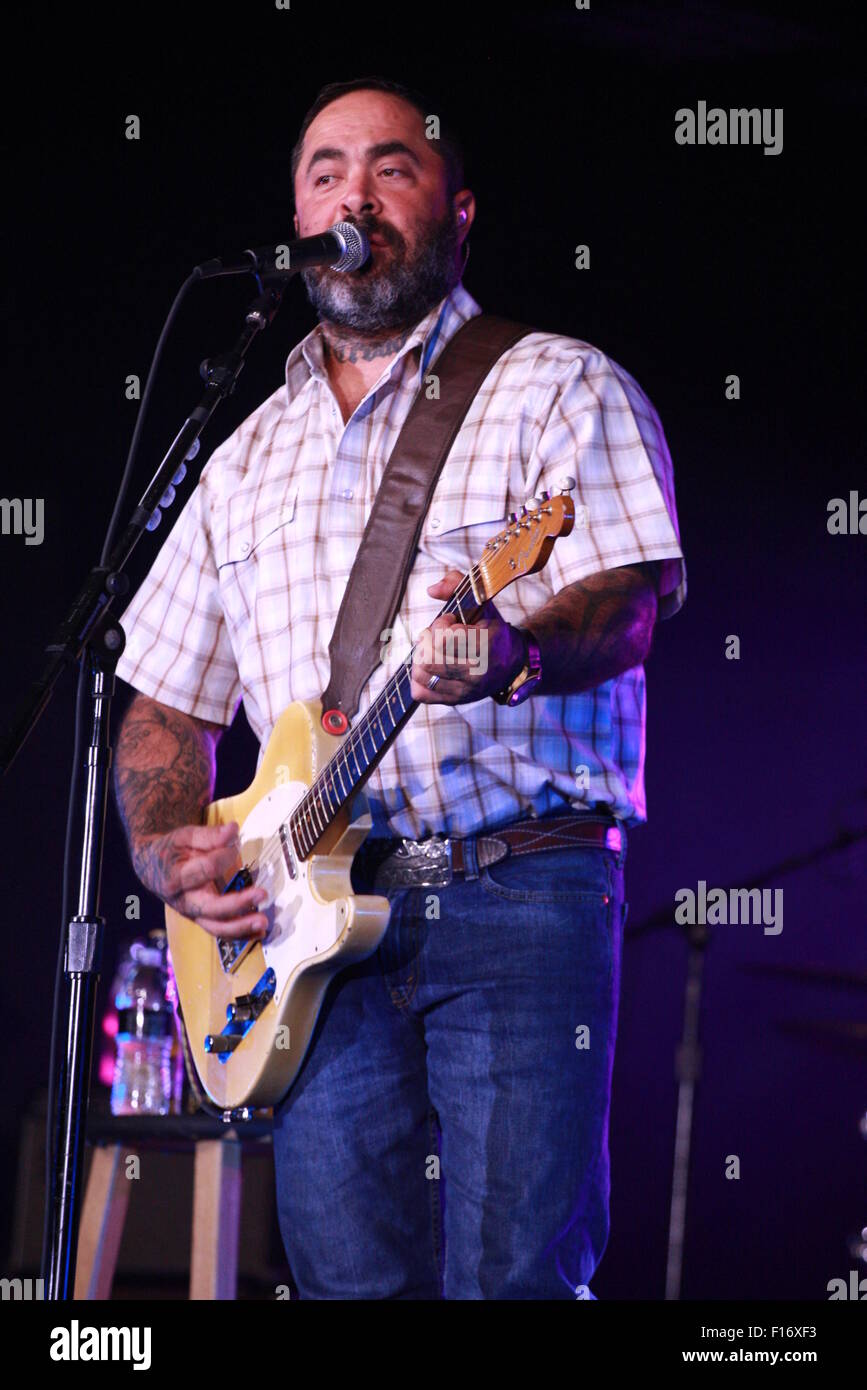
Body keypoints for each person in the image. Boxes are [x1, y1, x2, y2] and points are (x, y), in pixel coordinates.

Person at [112, 76, 686, 1299]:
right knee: (342, 1283)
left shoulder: (557, 386)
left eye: (391, 165)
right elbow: (162, 697)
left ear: (456, 208)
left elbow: (623, 602)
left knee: (516, 1281)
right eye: (324, 172)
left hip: (519, 890)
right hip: (311, 932)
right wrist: (170, 848)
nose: (351, 193)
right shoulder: (240, 458)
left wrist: (514, 652)